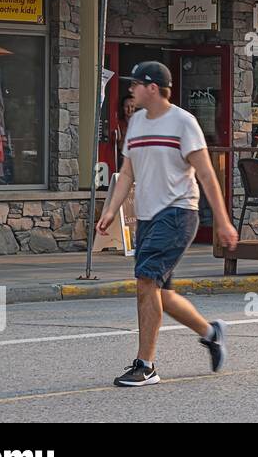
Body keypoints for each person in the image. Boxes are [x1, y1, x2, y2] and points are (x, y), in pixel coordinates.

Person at [97, 62, 238, 387]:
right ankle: (211, 333)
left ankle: (145, 365)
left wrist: (223, 221)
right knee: (162, 293)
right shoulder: (136, 124)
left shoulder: (183, 123)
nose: (130, 90)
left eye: (135, 84)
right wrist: (110, 210)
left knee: (146, 281)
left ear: (153, 88)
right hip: (147, 217)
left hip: (177, 214)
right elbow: (127, 173)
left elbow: (205, 174)